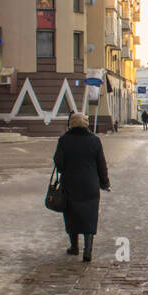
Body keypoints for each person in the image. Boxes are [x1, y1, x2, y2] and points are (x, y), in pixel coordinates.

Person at [53, 111, 110, 262]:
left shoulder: (64, 140)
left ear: (71, 123)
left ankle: (74, 247)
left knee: (71, 215)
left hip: (71, 183)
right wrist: (104, 182)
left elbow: (58, 162)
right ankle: (88, 251)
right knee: (90, 216)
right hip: (90, 184)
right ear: (86, 123)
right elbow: (101, 164)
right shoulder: (94, 141)